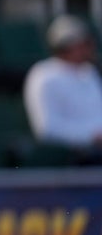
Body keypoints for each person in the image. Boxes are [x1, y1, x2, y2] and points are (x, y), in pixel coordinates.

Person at [23, 15, 102, 156]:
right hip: (75, 156)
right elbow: (47, 129)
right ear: (67, 46)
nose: (90, 48)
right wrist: (91, 136)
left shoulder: (89, 73)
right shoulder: (43, 75)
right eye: (84, 44)